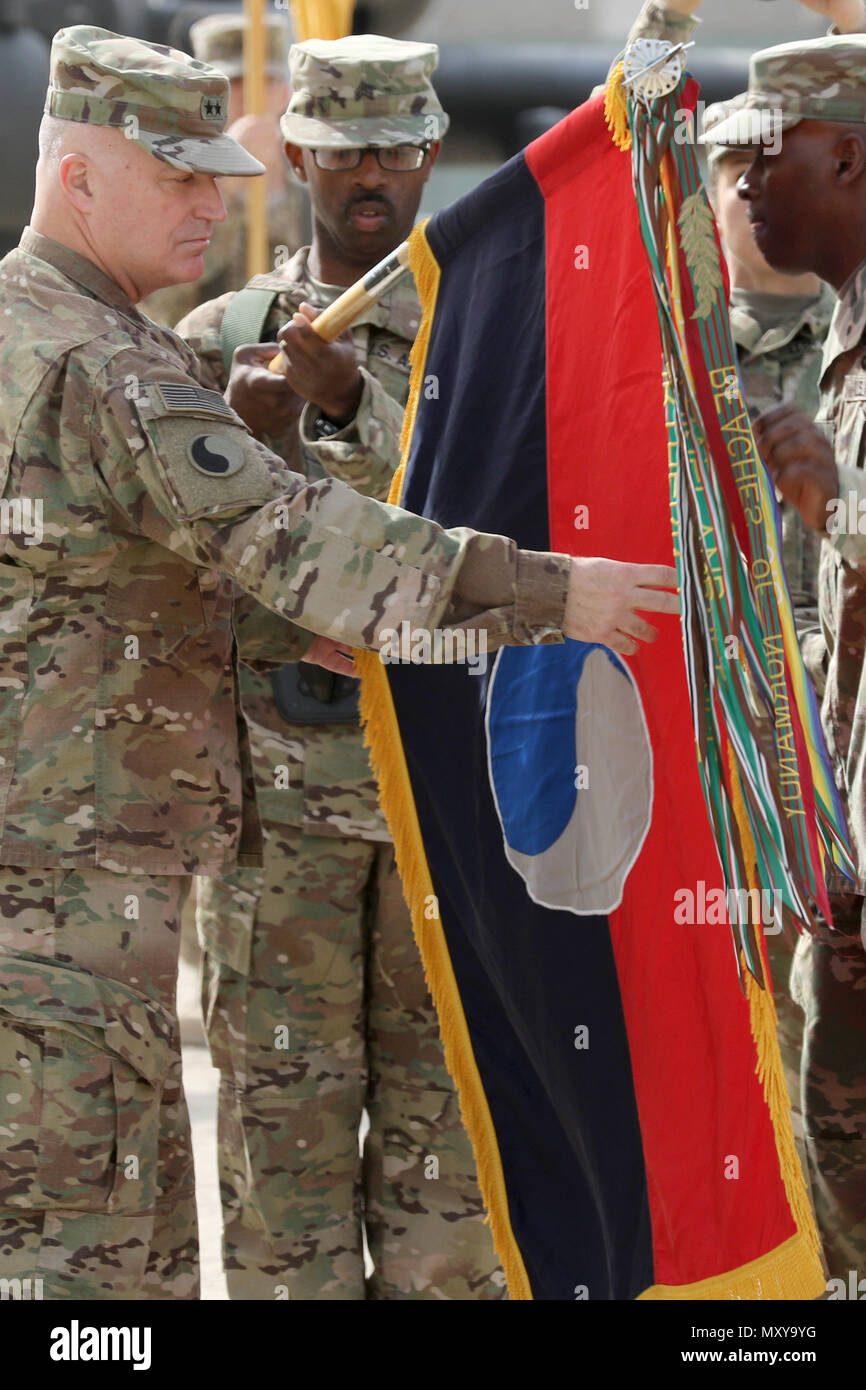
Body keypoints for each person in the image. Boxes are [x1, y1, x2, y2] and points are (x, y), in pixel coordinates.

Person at [0, 24, 677, 1300]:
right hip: (144, 864)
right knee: (124, 1230)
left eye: (216, 173)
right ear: (80, 176)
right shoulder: (120, 358)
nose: (214, 199)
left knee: (381, 1167)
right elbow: (291, 541)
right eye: (180, 176)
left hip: (363, 819)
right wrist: (550, 592)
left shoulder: (91, 339)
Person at [175, 34, 508, 1301]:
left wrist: (350, 411)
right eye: (340, 147)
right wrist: (251, 437)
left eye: (391, 145)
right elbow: (179, 545)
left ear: (428, 149)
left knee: (451, 1141)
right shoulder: (222, 336)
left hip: (448, 797)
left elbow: (498, 538)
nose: (367, 172)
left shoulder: (489, 329)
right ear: (296, 153)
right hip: (283, 803)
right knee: (281, 1132)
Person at [705, 26, 866, 1284]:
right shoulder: (838, 333)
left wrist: (836, 505)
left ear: (847, 156)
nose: (744, 184)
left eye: (766, 155)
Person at [703, 95, 835, 1186]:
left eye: (771, 165)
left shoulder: (843, 342)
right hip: (702, 759)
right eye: (732, 169)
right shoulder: (658, 361)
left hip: (829, 765)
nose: (752, 191)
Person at [141, 10, 309, 329]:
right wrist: (224, 187)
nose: (249, 96)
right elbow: (153, 304)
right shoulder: (169, 195)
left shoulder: (312, 202)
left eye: (264, 81)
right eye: (232, 83)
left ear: (285, 95)